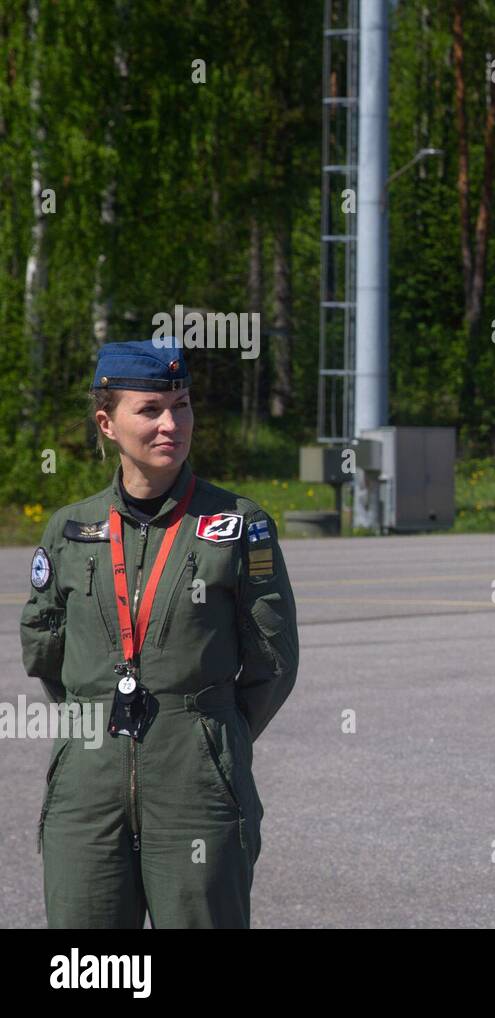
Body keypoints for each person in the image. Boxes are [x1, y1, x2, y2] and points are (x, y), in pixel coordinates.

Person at [19, 339, 299, 928]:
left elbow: (272, 660)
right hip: (86, 789)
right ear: (108, 423)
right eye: (150, 410)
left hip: (198, 785)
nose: (171, 423)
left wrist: (206, 731)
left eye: (182, 404)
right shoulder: (69, 529)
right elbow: (48, 658)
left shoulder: (237, 526)